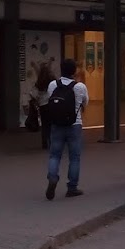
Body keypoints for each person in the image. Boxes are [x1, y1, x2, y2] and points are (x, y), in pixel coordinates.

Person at [45, 58, 88, 200]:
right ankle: (72, 188)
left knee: (54, 155)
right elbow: (85, 103)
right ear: (74, 71)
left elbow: (50, 100)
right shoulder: (80, 87)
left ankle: (52, 177)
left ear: (61, 69)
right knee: (74, 157)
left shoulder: (52, 85)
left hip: (56, 125)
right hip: (74, 125)